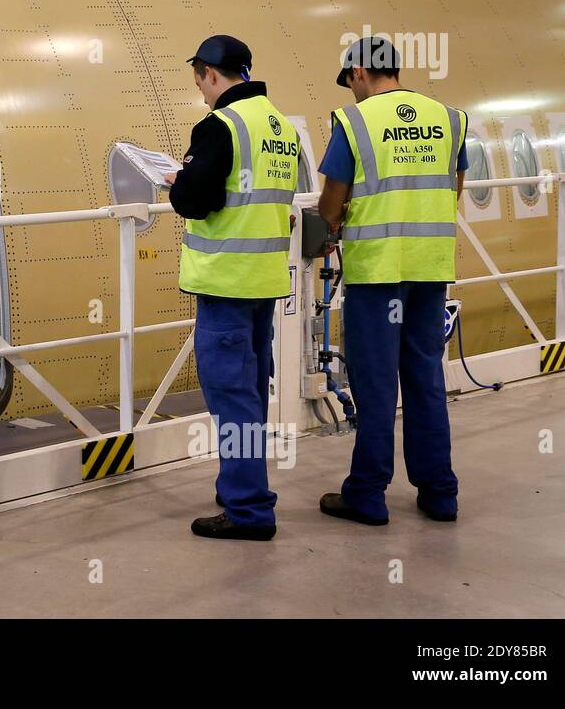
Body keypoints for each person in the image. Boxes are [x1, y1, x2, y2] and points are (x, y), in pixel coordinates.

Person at [316, 37, 468, 526]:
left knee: (376, 382)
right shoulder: (448, 118)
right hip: (430, 268)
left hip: (379, 272)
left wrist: (335, 226)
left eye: (351, 82)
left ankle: (367, 493)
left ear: (359, 72)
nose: (352, 93)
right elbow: (453, 186)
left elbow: (331, 203)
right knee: (424, 377)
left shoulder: (355, 122)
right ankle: (440, 493)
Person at [165, 34, 299, 541]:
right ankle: (239, 484)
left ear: (209, 73)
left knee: (231, 396)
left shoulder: (220, 126)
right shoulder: (280, 126)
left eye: (199, 78)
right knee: (251, 392)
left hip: (226, 283)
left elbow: (195, 201)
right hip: (264, 280)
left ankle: (247, 509)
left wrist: (178, 180)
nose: (200, 90)